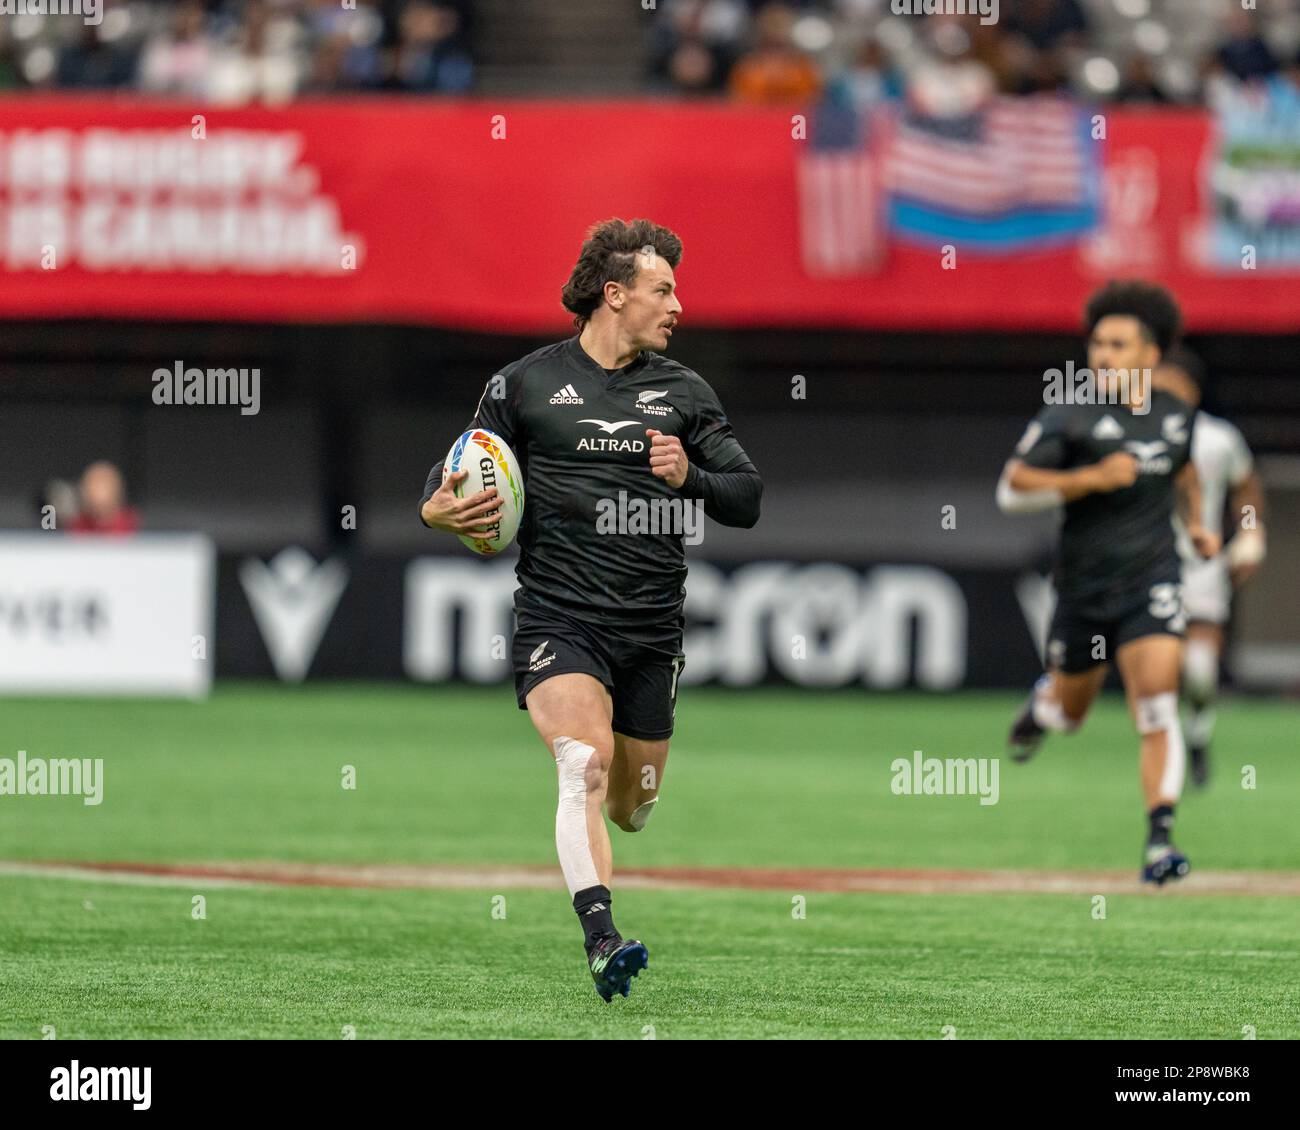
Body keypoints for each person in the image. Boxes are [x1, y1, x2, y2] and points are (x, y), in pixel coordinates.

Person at [418, 218, 761, 1000]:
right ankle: (602, 937)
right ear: (616, 295)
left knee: (633, 807)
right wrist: (433, 512)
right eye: (663, 288)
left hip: (650, 633)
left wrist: (692, 482)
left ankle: (615, 840)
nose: (678, 305)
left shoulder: (686, 395)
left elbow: (748, 496)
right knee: (584, 764)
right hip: (558, 621)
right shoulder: (524, 384)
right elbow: (452, 474)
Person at [996, 280, 1219, 885]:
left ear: (1150, 355)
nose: (1103, 356)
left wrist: (1197, 525)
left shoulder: (1177, 416)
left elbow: (1185, 472)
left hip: (1153, 581)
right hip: (1084, 591)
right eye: (1097, 344)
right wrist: (1089, 478)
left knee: (1156, 703)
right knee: (1073, 715)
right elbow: (1012, 486)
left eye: (1118, 345)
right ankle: (1046, 706)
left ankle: (1160, 842)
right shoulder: (1068, 414)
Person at [1152, 348, 1266, 787]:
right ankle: (1166, 751)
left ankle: (1198, 735)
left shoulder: (1219, 439)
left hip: (1200, 564)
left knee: (1199, 671)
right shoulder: (1128, 435)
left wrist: (1251, 535)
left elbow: (1247, 489)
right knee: (1157, 667)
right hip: (1145, 565)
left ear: (1192, 392)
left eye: (1170, 385)